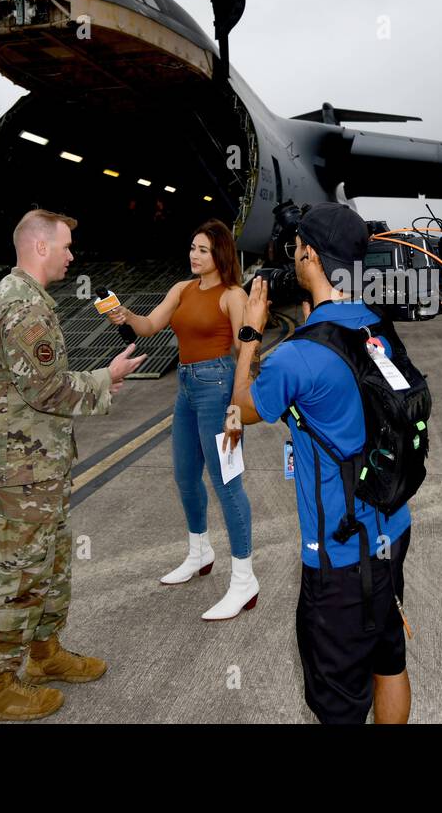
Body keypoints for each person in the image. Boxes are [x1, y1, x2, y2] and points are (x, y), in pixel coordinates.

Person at [228, 203, 413, 724]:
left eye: (296, 248)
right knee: (389, 660)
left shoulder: (298, 355)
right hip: (392, 529)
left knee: (337, 702)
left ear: (307, 254)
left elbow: (242, 407)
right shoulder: (380, 327)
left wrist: (250, 333)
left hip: (337, 554)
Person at [0, 208, 146, 723]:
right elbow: (45, 387)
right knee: (19, 574)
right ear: (40, 246)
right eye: (67, 246)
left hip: (39, 466)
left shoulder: (27, 300)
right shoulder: (23, 307)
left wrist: (97, 382)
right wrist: (104, 378)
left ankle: (44, 655)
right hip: (23, 471)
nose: (72, 256)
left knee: (50, 563)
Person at [106, 219, 257, 620]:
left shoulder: (232, 295)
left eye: (203, 250)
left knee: (227, 482)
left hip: (219, 386)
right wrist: (125, 316)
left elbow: (247, 347)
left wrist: (237, 402)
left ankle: (244, 580)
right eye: (192, 247)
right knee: (185, 476)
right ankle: (199, 552)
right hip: (187, 385)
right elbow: (151, 326)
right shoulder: (181, 289)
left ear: (220, 254)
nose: (194, 254)